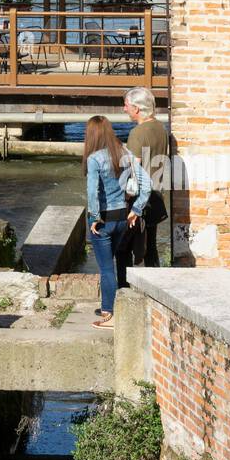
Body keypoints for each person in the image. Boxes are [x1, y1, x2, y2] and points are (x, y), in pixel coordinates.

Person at [83, 115, 151, 328]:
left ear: (92, 135)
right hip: (124, 217)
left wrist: (94, 217)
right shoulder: (125, 152)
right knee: (120, 259)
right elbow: (146, 185)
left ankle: (110, 314)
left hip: (104, 220)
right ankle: (118, 306)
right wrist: (137, 209)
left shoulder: (94, 158)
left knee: (106, 268)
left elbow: (92, 191)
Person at [123, 87, 169, 270]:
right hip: (157, 195)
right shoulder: (161, 128)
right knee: (150, 246)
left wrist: (125, 198)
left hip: (140, 198)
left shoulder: (137, 133)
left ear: (136, 108)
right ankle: (156, 282)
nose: (124, 109)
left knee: (128, 247)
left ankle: (129, 286)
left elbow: (133, 171)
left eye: (126, 105)